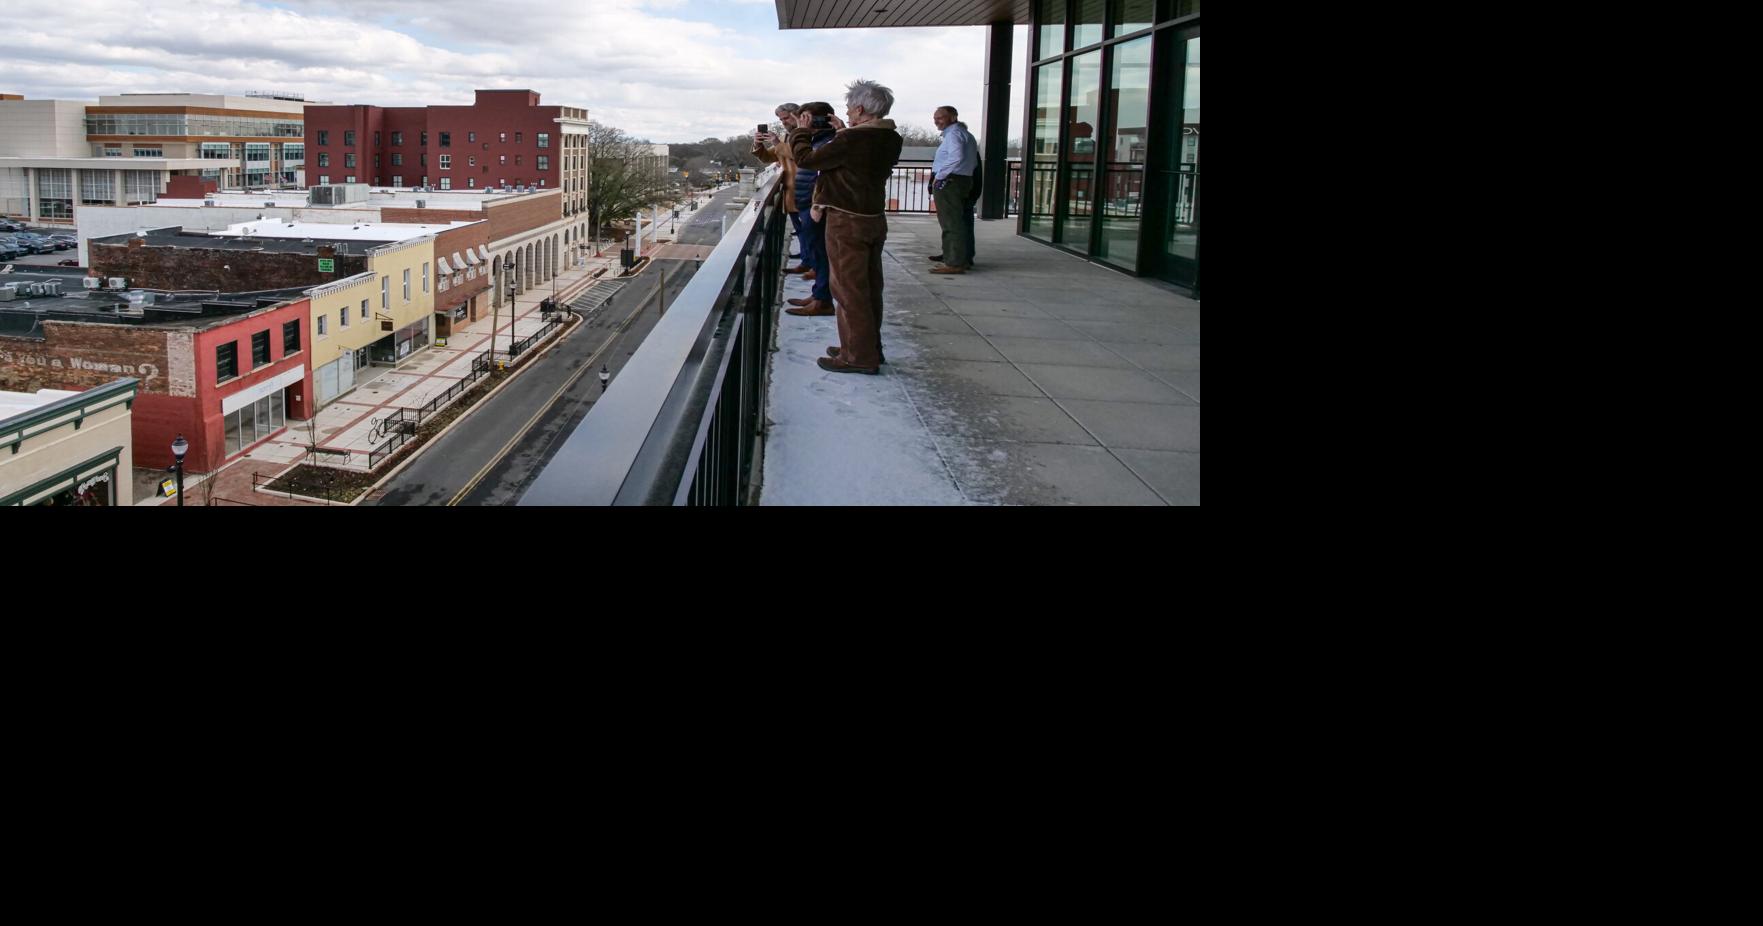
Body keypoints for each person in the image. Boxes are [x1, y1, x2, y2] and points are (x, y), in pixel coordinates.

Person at [791, 78, 904, 374]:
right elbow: (857, 162)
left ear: (860, 109)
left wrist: (801, 131)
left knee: (848, 290)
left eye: (850, 109)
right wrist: (843, 131)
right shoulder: (891, 138)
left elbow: (806, 159)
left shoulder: (851, 140)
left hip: (846, 221)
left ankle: (857, 356)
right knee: (870, 287)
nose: (848, 113)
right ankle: (868, 347)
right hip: (873, 218)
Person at [785, 101, 840, 317]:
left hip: (816, 206)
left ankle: (823, 300)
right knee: (817, 253)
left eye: (805, 118)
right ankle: (819, 295)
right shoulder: (819, 141)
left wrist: (801, 132)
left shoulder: (829, 141)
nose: (802, 123)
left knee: (822, 254)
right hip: (807, 202)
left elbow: (805, 161)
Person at [752, 104, 814, 278]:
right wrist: (758, 144)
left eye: (786, 118)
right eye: (781, 119)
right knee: (801, 230)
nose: (783, 122)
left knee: (810, 232)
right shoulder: (787, 136)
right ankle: (806, 261)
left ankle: (813, 265)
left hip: (806, 192)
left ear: (797, 115)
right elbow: (768, 157)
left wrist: (776, 142)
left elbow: (801, 155)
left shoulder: (806, 134)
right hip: (792, 193)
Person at [929, 105, 979, 274]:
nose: (936, 121)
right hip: (962, 180)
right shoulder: (965, 134)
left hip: (951, 182)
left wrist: (940, 176)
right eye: (935, 118)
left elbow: (956, 157)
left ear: (953, 117)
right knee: (961, 221)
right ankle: (960, 257)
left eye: (940, 117)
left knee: (951, 222)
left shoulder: (954, 134)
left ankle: (954, 262)